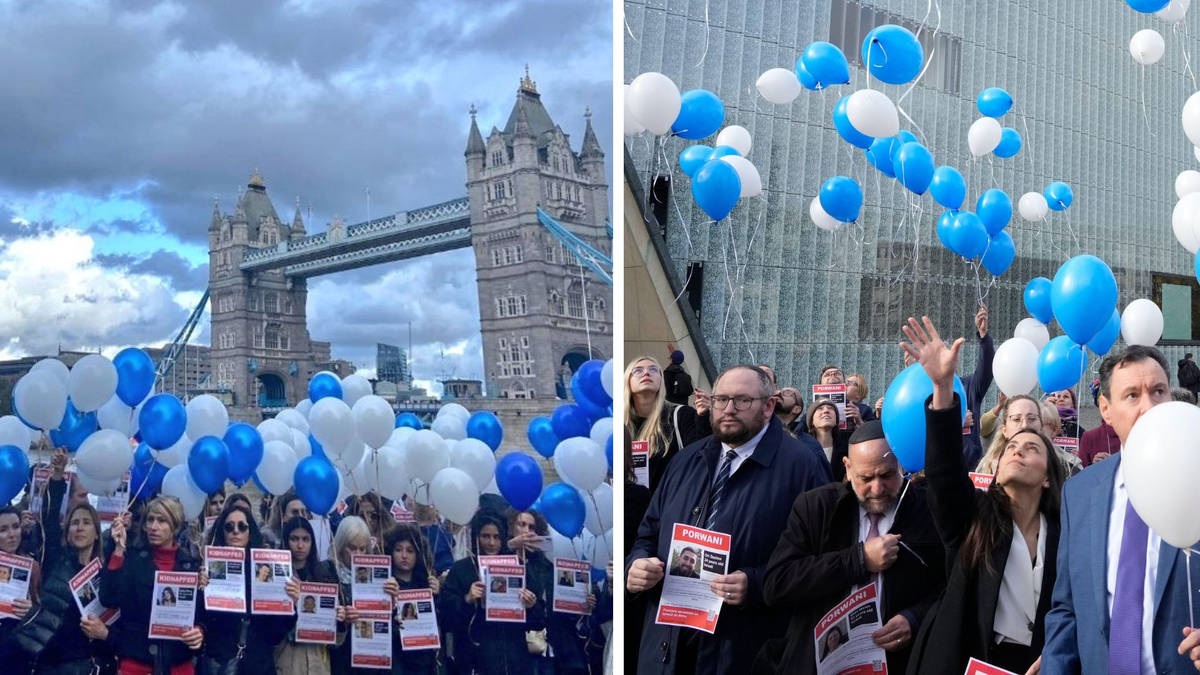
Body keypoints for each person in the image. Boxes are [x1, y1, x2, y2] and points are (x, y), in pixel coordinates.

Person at [626, 364, 832, 674]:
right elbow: (648, 534)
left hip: (744, 651)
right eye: (721, 399)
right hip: (667, 647)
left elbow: (822, 561)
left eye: (742, 400)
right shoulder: (685, 460)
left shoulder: (803, 467)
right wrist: (636, 565)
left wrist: (757, 584)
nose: (729, 409)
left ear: (769, 406)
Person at [899, 316, 1065, 675]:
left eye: (1032, 448)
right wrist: (943, 389)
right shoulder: (972, 518)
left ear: (1048, 477)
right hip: (971, 658)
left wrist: (1059, 652)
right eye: (1011, 448)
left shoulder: (1064, 531)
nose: (1018, 450)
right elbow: (944, 475)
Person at [1043, 344, 1200, 673]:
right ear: (1106, 409)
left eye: (1158, 391)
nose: (1149, 406)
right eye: (1132, 395)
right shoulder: (1079, 493)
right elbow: (1067, 608)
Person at [757, 421, 946, 674]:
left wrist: (915, 619)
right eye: (865, 478)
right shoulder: (816, 507)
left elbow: (950, 587)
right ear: (847, 467)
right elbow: (777, 584)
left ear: (901, 465)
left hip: (898, 662)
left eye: (887, 476)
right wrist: (858, 560)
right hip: (819, 662)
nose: (877, 489)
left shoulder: (929, 512)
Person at [19, 448, 117, 674]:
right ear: (67, 531)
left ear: (96, 533)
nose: (80, 527)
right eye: (75, 523)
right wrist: (57, 475)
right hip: (51, 661)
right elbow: (50, 517)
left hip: (86, 662)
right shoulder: (56, 559)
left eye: (86, 523)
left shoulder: (104, 573)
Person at [101, 496, 205, 673]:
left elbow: (202, 616)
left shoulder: (192, 565)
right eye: (150, 520)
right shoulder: (133, 559)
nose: (153, 527)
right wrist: (118, 549)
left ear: (175, 527)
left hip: (178, 664)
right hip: (138, 663)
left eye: (162, 520)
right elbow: (109, 597)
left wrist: (200, 632)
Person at [440, 509, 543, 675]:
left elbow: (539, 621)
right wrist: (467, 599)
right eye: (485, 536)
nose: (492, 543)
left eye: (496, 537)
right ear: (476, 537)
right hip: (475, 660)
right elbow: (447, 618)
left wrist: (531, 605)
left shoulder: (519, 566)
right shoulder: (461, 569)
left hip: (515, 660)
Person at [198, 501, 291, 675]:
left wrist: (289, 601)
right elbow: (202, 621)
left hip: (258, 664)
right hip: (221, 663)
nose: (235, 531)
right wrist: (201, 590)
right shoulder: (207, 569)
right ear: (221, 531)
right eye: (229, 527)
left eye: (242, 527)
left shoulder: (266, 566)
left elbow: (277, 632)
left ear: (250, 532)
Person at [509, 508, 598, 675]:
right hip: (519, 649)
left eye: (532, 527)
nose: (527, 531)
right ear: (511, 528)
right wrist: (511, 546)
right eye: (522, 525)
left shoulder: (549, 566)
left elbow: (561, 610)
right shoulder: (504, 561)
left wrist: (582, 604)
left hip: (558, 649)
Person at [624, 356, 706, 493]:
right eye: (638, 371)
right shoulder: (619, 423)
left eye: (653, 369)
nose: (646, 373)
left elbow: (702, 458)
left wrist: (704, 417)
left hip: (669, 503)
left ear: (661, 380)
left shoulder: (681, 416)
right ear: (628, 380)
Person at [278, 516, 338, 675]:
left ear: (312, 542)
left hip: (318, 662)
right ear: (285, 541)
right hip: (287, 660)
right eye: (294, 539)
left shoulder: (325, 576)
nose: (300, 545)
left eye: (305, 539)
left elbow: (336, 639)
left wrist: (340, 621)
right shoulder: (278, 576)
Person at [383, 523, 439, 674]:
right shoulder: (386, 585)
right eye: (398, 550)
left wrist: (437, 595)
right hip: (395, 660)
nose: (404, 556)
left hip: (423, 661)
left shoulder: (426, 583)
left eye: (410, 551)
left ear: (418, 554)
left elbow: (440, 623)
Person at [328, 515, 375, 675]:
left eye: (362, 549)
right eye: (352, 548)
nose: (357, 554)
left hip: (368, 657)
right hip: (338, 659)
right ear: (341, 546)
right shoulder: (327, 571)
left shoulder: (375, 576)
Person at [806, 399, 851, 481]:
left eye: (830, 408)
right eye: (820, 408)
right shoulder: (802, 448)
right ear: (811, 421)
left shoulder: (848, 448)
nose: (826, 411)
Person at [412, 503, 455, 576]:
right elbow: (452, 543)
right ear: (434, 514)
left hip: (419, 573)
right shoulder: (442, 533)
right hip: (444, 571)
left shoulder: (410, 532)